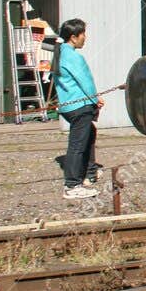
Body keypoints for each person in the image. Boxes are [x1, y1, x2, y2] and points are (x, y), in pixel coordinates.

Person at [53, 18, 101, 199]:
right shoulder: (73, 56)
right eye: (83, 34)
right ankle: (72, 185)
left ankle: (90, 173)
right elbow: (85, 81)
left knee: (89, 133)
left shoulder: (61, 53)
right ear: (73, 37)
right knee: (77, 145)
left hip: (68, 105)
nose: (85, 38)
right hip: (79, 105)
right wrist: (95, 99)